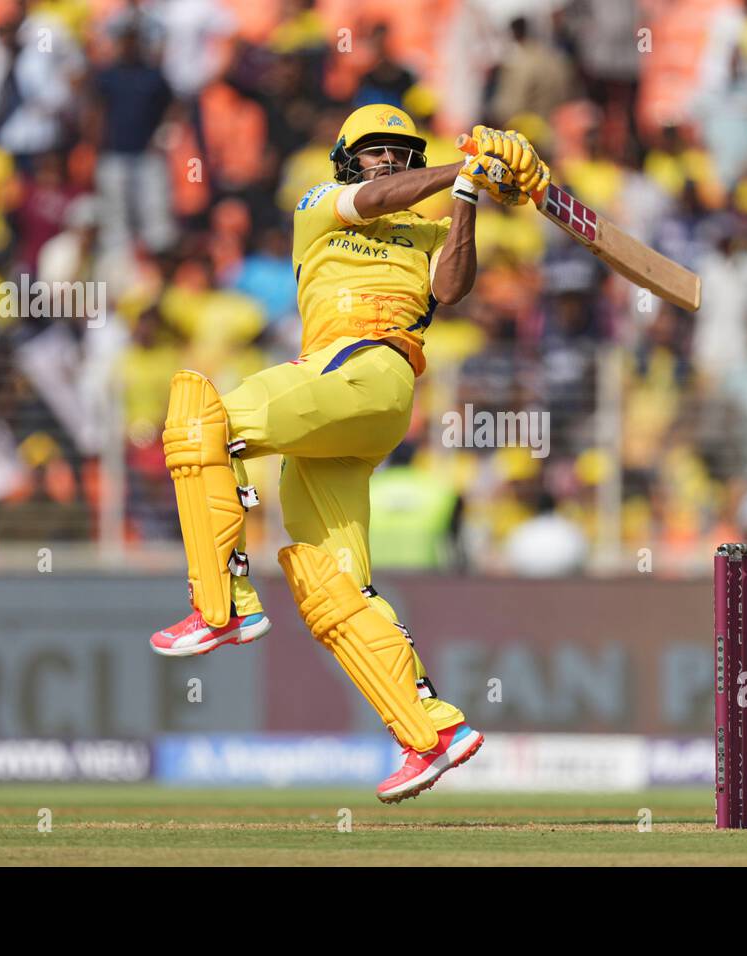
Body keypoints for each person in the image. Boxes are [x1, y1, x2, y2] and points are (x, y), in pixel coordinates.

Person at [149, 105, 548, 802]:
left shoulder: (428, 229)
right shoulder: (319, 205)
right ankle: (430, 733)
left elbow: (452, 288)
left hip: (374, 376)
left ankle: (222, 606)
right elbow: (377, 198)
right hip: (338, 405)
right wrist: (463, 169)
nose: (389, 161)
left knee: (200, 419)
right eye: (374, 151)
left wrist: (472, 195)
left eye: (400, 150)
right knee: (331, 584)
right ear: (347, 161)